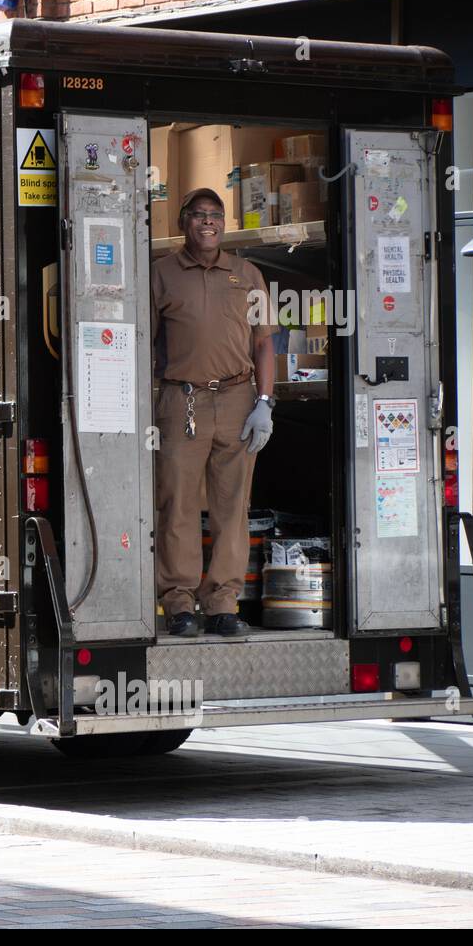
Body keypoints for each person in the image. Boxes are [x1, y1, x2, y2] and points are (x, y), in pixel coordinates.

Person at [151, 188, 276, 637]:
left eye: (216, 216)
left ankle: (223, 604)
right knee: (177, 504)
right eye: (199, 215)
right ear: (183, 222)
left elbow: (263, 342)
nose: (208, 223)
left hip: (239, 399)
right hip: (180, 400)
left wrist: (265, 402)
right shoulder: (161, 274)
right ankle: (179, 603)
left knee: (232, 507)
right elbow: (144, 343)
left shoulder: (248, 275)